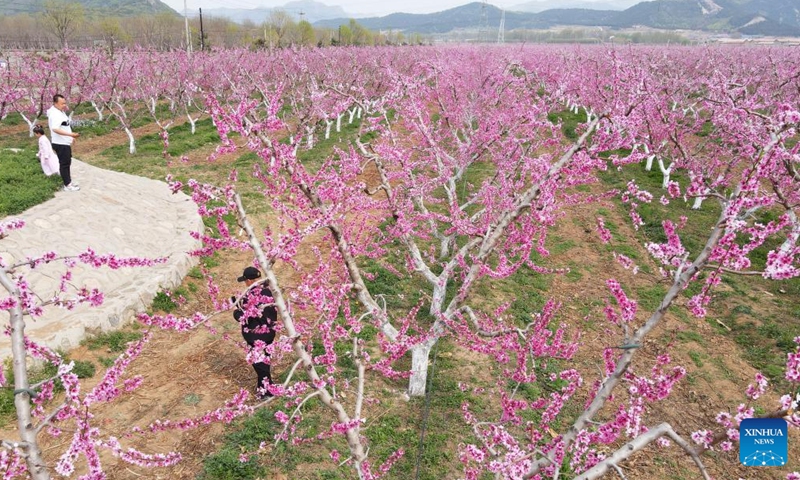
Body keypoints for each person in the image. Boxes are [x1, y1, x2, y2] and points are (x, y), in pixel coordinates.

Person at [232, 266, 278, 399]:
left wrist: (236, 309)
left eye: (246, 280)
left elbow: (243, 316)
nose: (245, 283)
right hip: (269, 332)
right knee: (264, 360)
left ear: (250, 281)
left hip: (257, 335)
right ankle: (263, 388)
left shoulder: (252, 296)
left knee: (259, 363)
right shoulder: (269, 291)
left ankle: (267, 391)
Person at [46, 94, 80, 191]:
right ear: (55, 103)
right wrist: (71, 135)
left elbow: (64, 126)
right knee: (64, 164)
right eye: (62, 104)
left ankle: (68, 181)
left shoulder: (60, 112)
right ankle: (67, 185)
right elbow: (55, 129)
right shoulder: (55, 114)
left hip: (63, 142)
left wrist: (70, 137)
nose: (64, 105)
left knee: (66, 162)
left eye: (65, 103)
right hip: (60, 143)